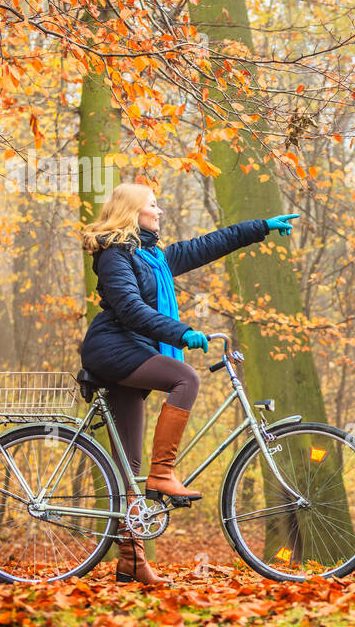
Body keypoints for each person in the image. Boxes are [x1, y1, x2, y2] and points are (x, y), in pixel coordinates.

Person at [79, 181, 298, 585]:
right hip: (114, 347)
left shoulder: (154, 256)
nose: (159, 212)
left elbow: (208, 245)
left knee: (128, 471)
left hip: (133, 348)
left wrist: (261, 226)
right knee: (185, 377)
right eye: (153, 205)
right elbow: (128, 309)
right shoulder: (115, 255)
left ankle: (131, 562)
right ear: (133, 211)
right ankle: (164, 474)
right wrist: (181, 333)